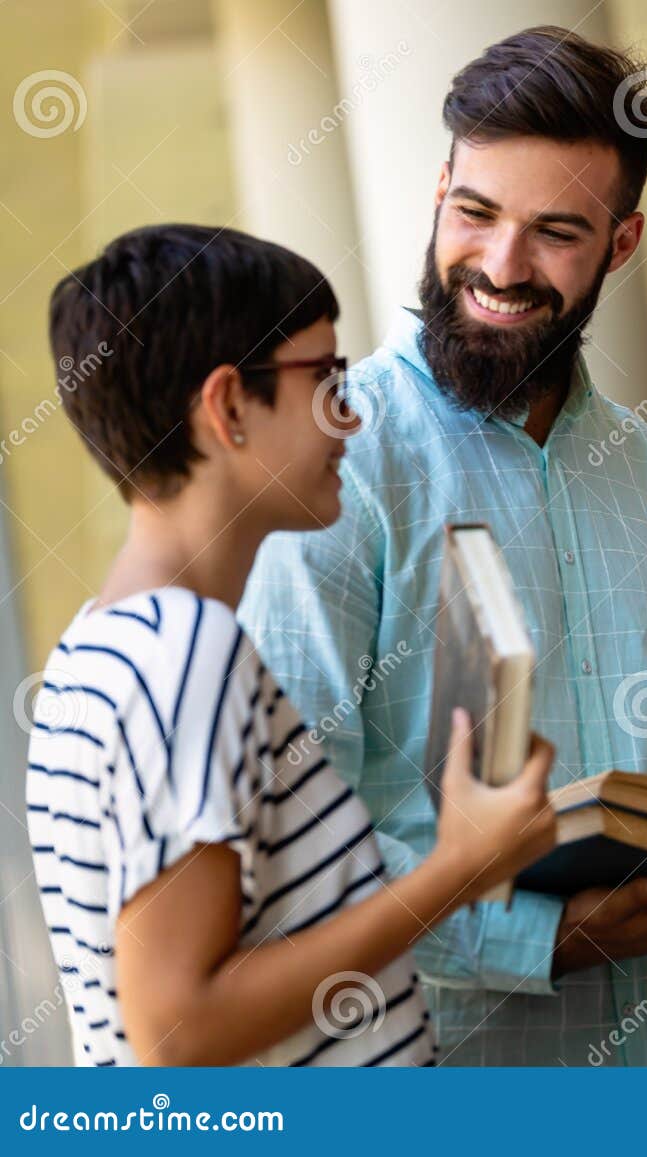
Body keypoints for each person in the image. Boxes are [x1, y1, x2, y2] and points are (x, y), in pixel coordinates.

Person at [238, 27, 647, 1066]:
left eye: (556, 231)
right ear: (439, 192)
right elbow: (293, 822)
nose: (500, 266)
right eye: (475, 214)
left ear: (622, 241)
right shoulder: (336, 462)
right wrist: (539, 937)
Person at [28, 224, 556, 1067]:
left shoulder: (94, 653)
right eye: (327, 381)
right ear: (229, 405)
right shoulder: (183, 650)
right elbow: (177, 1025)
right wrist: (461, 865)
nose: (351, 418)